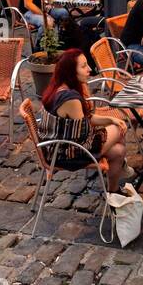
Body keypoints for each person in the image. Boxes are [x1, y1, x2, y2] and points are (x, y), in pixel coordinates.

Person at [37, 49, 131, 190]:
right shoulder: (71, 99)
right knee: (119, 129)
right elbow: (86, 133)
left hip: (59, 146)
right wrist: (113, 124)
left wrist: (111, 120)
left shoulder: (59, 87)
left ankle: (114, 192)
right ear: (70, 72)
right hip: (68, 153)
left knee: (118, 151)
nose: (89, 69)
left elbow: (86, 119)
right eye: (83, 66)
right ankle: (122, 171)